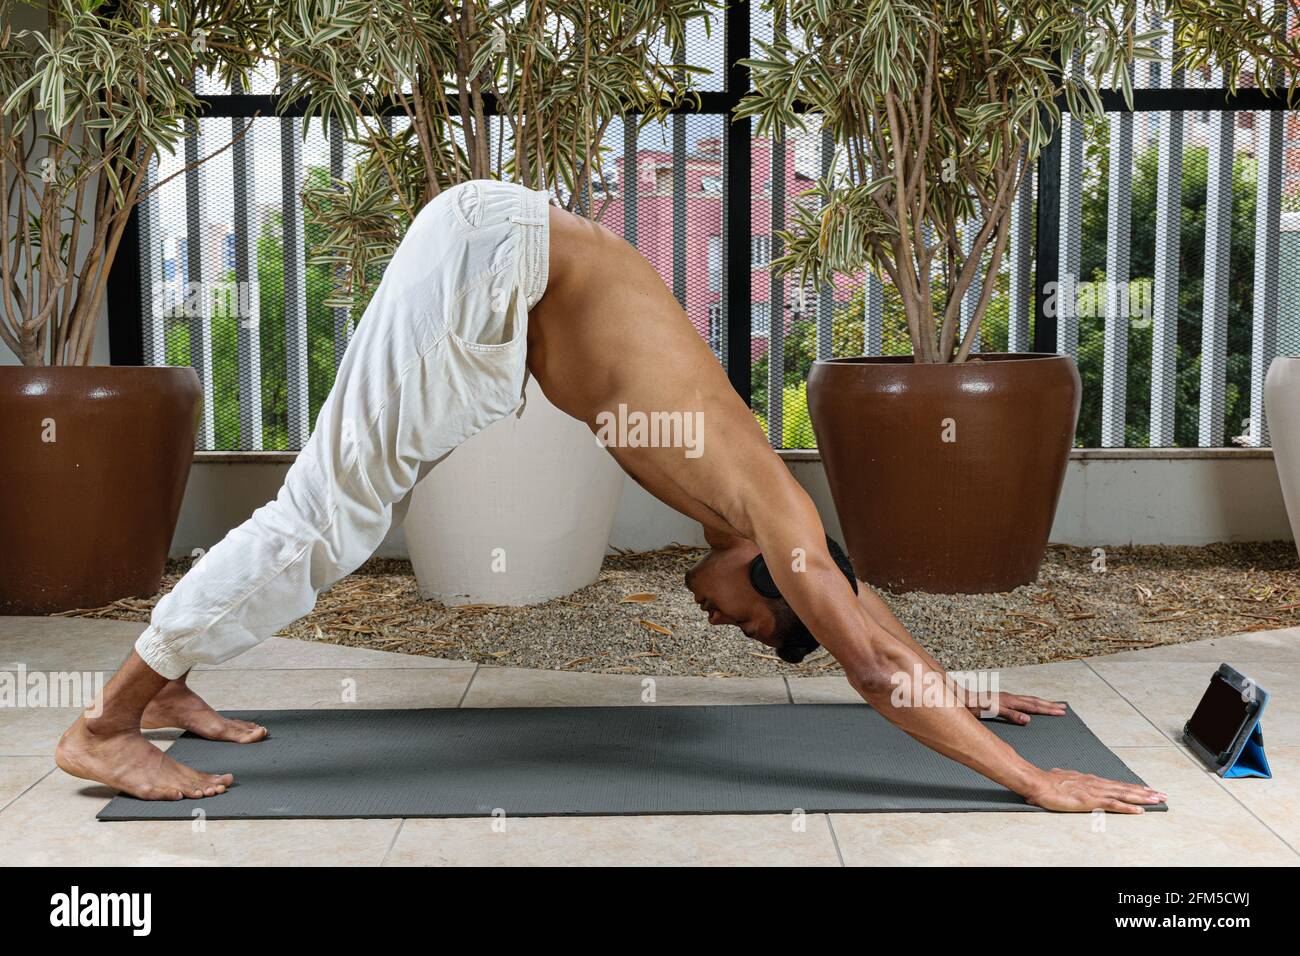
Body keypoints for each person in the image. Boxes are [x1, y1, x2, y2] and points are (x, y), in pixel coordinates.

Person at [56, 179, 1166, 813]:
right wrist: (1030, 779)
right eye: (741, 615)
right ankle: (107, 721)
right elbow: (866, 655)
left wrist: (968, 689)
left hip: (501, 264)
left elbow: (860, 614)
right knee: (324, 519)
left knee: (326, 513)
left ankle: (161, 687)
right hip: (497, 264)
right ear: (771, 576)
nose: (711, 614)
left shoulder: (758, 519)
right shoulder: (770, 522)